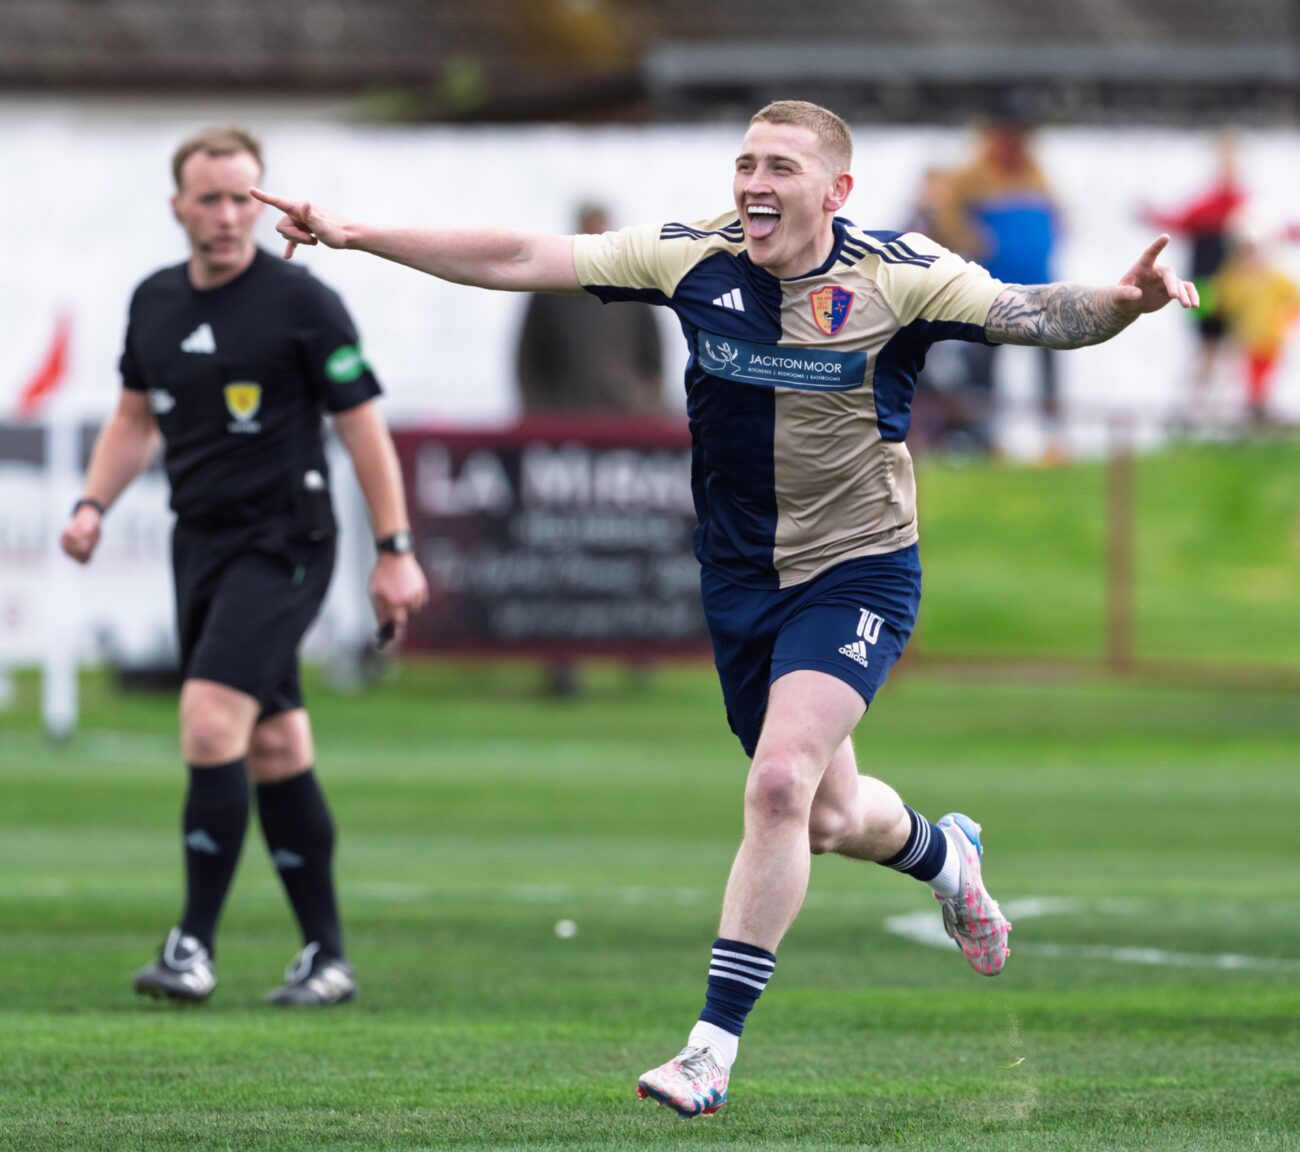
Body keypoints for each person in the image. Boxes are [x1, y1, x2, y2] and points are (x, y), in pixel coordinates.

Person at [250, 100, 1196, 1112]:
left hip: (859, 571)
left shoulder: (900, 273)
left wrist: (1122, 303)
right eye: (745, 162)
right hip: (743, 584)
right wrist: (357, 234)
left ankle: (709, 1050)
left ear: (835, 192)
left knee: (780, 784)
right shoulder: (688, 256)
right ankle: (942, 852)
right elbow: (523, 254)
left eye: (780, 166)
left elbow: (1032, 314)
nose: (753, 182)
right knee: (827, 815)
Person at [61, 127, 428, 1007]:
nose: (229, 216)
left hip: (287, 542)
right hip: (203, 544)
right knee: (273, 741)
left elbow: (362, 428)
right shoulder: (153, 301)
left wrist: (395, 551)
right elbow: (133, 420)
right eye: (211, 199)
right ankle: (326, 957)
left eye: (244, 198)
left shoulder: (303, 301)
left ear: (260, 202)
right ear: (179, 207)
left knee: (209, 721)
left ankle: (192, 946)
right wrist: (91, 504)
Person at [940, 114, 1063, 458]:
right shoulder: (972, 176)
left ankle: (1052, 438)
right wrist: (974, 240)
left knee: (1050, 357)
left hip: (1040, 288)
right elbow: (947, 216)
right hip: (993, 291)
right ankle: (986, 437)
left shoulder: (1035, 172)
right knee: (985, 361)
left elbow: (1058, 214)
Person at [516, 201, 666, 416]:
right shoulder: (549, 289)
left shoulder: (636, 289)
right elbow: (529, 359)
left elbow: (653, 357)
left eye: (601, 229)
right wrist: (537, 411)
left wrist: (647, 401)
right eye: (590, 229)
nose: (597, 236)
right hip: (564, 417)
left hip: (624, 417)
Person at [1141, 136, 1247, 427]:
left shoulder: (1243, 206)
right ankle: (1196, 410)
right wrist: (1150, 214)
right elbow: (1176, 223)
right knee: (1207, 348)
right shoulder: (1207, 205)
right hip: (1206, 289)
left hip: (1234, 291)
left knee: (1228, 351)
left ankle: (1219, 412)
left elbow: (1270, 233)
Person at [1212, 220, 1300, 428]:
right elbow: (1224, 303)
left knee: (1266, 379)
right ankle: (1251, 417)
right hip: (1244, 339)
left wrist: (1289, 324)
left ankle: (1262, 415)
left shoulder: (1277, 278)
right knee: (1245, 379)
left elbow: (1294, 300)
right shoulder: (1234, 276)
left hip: (1271, 337)